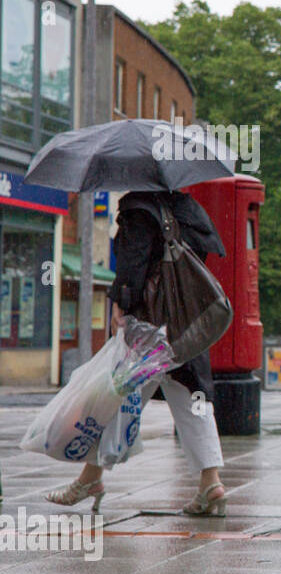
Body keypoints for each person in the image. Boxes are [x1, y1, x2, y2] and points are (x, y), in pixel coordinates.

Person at [45, 190, 230, 517]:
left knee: (113, 397)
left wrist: (120, 304)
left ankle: (89, 480)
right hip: (183, 325)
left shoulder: (137, 209)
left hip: (148, 327)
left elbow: (133, 266)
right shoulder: (185, 206)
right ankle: (210, 482)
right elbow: (207, 251)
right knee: (192, 401)